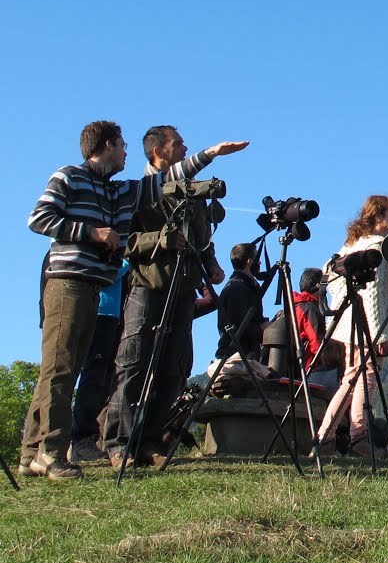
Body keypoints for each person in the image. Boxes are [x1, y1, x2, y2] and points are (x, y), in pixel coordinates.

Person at [21, 120, 247, 480]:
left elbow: (164, 180)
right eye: (122, 145)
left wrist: (212, 153)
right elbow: (39, 218)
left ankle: (33, 454)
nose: (127, 152)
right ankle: (49, 452)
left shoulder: (118, 191)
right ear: (107, 145)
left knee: (65, 369)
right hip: (68, 281)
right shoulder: (68, 176)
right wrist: (93, 232)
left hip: (94, 285)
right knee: (63, 369)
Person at [103, 125, 239, 469]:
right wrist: (160, 240)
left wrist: (211, 264)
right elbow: (123, 241)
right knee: (134, 362)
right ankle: (119, 444)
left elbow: (202, 236)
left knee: (175, 365)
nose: (184, 147)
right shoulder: (135, 192)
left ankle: (150, 441)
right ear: (158, 151)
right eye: (178, 143)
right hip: (148, 283)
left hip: (183, 284)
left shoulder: (191, 193)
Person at [313, 195, 388, 457]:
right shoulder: (378, 246)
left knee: (352, 379)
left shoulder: (350, 246)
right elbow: (372, 294)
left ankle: (336, 438)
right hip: (367, 325)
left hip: (346, 323)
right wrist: (380, 333)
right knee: (364, 381)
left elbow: (327, 276)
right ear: (378, 218)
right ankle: (346, 436)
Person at [67, 260, 129, 463]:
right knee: (93, 375)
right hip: (100, 309)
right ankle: (81, 439)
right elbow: (108, 269)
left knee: (102, 378)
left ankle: (89, 439)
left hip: (111, 312)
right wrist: (130, 262)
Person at [209, 242, 272, 377]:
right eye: (257, 260)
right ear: (250, 262)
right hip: (235, 359)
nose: (259, 264)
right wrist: (261, 328)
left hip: (246, 358)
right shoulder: (237, 289)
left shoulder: (244, 287)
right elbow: (236, 327)